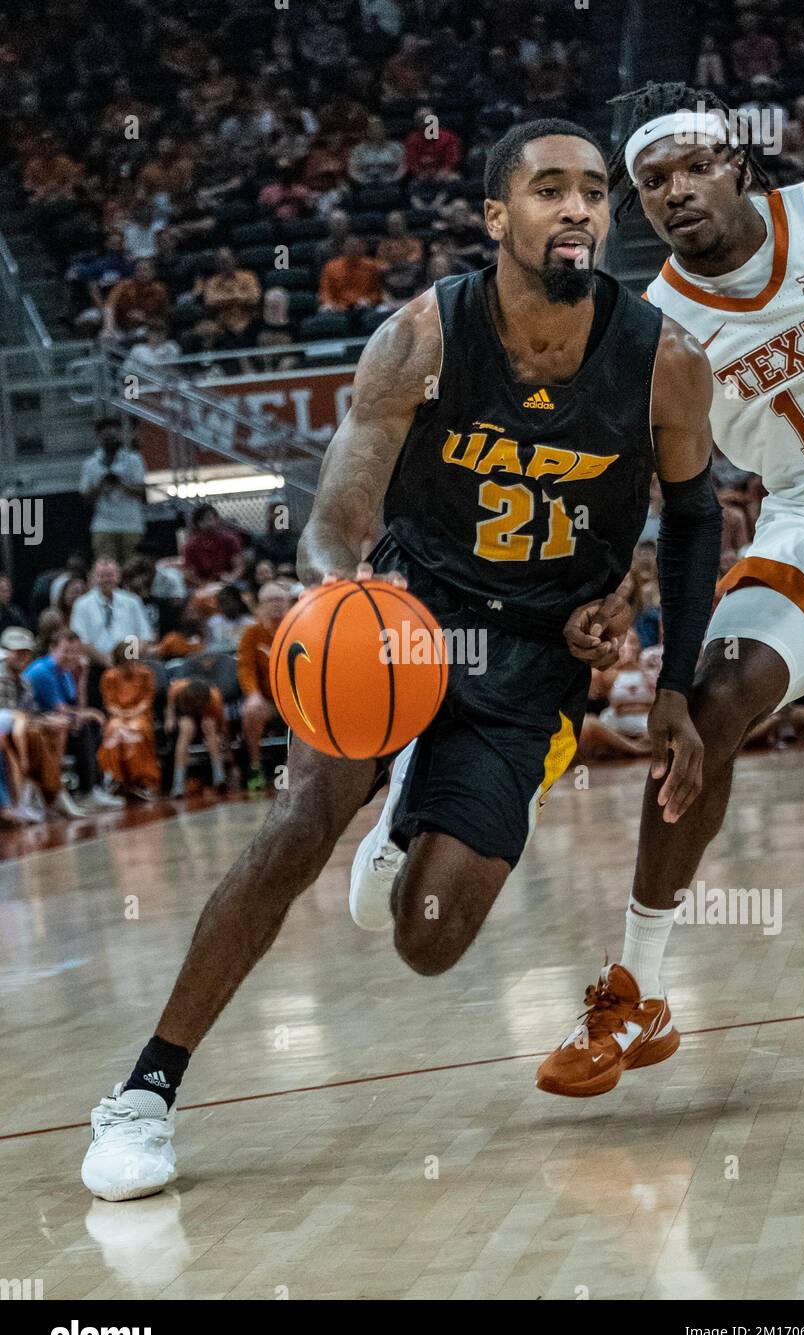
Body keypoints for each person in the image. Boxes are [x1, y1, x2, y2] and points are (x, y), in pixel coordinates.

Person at [81, 118, 720, 1201]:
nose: (576, 208)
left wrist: (669, 680)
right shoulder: (420, 337)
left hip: (533, 661)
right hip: (406, 623)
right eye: (546, 189)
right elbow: (333, 519)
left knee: (426, 938)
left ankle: (416, 797)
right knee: (293, 826)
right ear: (493, 217)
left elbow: (694, 517)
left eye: (592, 192)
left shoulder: (662, 359)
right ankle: (144, 1093)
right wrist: (349, 601)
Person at [535, 81, 804, 1102]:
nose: (675, 191)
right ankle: (640, 989)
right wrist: (614, 592)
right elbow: (643, 490)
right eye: (651, 182)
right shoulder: (656, 335)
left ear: (738, 164)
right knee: (705, 704)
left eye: (692, 166)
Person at [25, 629, 123, 811]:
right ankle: (85, 791)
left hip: (59, 724)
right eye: (66, 651)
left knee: (87, 726)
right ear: (52, 648)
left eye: (76, 652)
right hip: (39, 726)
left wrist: (82, 677)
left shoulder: (66, 671)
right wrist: (93, 714)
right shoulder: (42, 671)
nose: (72, 657)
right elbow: (62, 710)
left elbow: (77, 707)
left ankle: (93, 788)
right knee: (87, 725)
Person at [0, 627, 81, 821]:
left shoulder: (24, 681)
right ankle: (55, 793)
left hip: (18, 730)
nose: (23, 656)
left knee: (53, 729)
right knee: (36, 734)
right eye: (17, 651)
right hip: (6, 732)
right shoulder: (2, 678)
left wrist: (46, 720)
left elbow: (28, 714)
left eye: (26, 652)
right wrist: (44, 721)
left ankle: (46, 797)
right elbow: (7, 718)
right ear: (4, 652)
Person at [236, 581, 293, 791]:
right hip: (267, 700)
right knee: (251, 710)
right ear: (259, 607)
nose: (276, 605)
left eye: (280, 600)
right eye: (270, 600)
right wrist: (252, 694)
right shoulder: (251, 633)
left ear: (288, 604)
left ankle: (302, 769)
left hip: (295, 700)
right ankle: (255, 765)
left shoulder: (298, 628)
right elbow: (246, 668)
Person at [79, 419, 147, 564]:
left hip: (131, 524)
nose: (110, 441)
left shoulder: (133, 460)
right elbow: (85, 497)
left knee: (133, 567)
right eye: (106, 438)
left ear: (120, 435)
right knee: (106, 566)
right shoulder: (90, 464)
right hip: (103, 525)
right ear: (98, 437)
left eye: (113, 437)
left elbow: (142, 491)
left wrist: (120, 483)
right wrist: (102, 484)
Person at [98, 643, 161, 801]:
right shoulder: (110, 676)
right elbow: (109, 704)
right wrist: (122, 714)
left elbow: (147, 700)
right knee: (114, 731)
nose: (132, 664)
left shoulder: (145, 673)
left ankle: (143, 781)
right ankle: (115, 779)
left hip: (140, 714)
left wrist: (132, 713)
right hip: (117, 715)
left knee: (137, 729)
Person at [164, 676, 228, 798]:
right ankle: (178, 785)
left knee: (210, 727)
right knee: (186, 728)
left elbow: (221, 724)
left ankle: (219, 777)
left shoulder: (215, 698)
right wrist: (170, 717)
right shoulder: (177, 688)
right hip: (185, 716)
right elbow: (171, 703)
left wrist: (220, 736)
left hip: (206, 716)